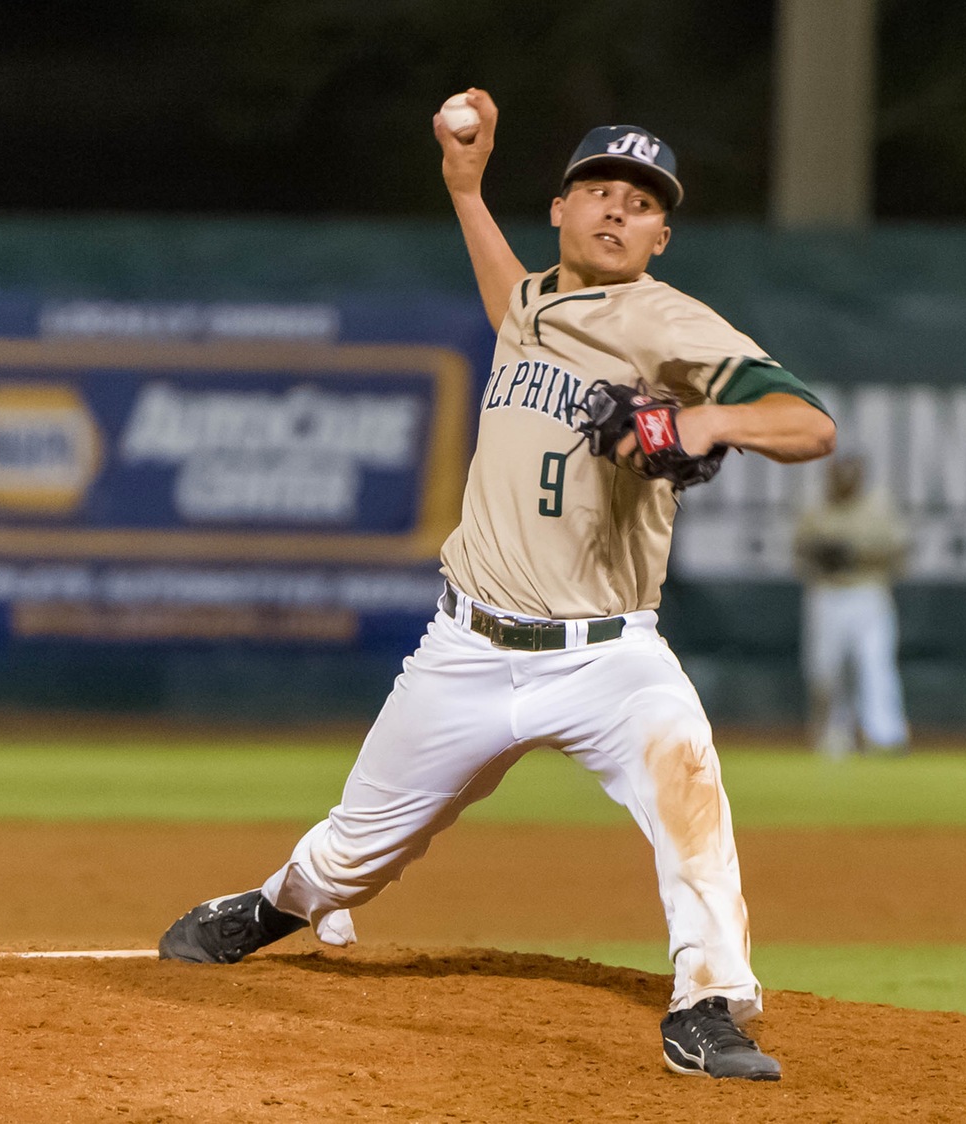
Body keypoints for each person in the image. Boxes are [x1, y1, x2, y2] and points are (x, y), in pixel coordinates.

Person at [155, 89, 835, 1083]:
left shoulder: (666, 321)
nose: (615, 208)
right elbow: (507, 300)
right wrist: (465, 188)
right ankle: (281, 902)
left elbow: (808, 423)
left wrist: (709, 423)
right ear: (558, 209)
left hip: (607, 653)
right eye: (597, 188)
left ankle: (711, 1003)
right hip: (465, 648)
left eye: (640, 201)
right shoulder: (531, 306)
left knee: (689, 787)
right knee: (355, 851)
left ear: (661, 235)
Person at [793, 455, 910, 757]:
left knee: (876, 664)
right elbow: (798, 552)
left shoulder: (878, 505)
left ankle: (884, 735)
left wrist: (857, 554)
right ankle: (832, 735)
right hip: (827, 593)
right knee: (825, 669)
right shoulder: (815, 505)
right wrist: (822, 554)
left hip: (868, 592)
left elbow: (899, 553)